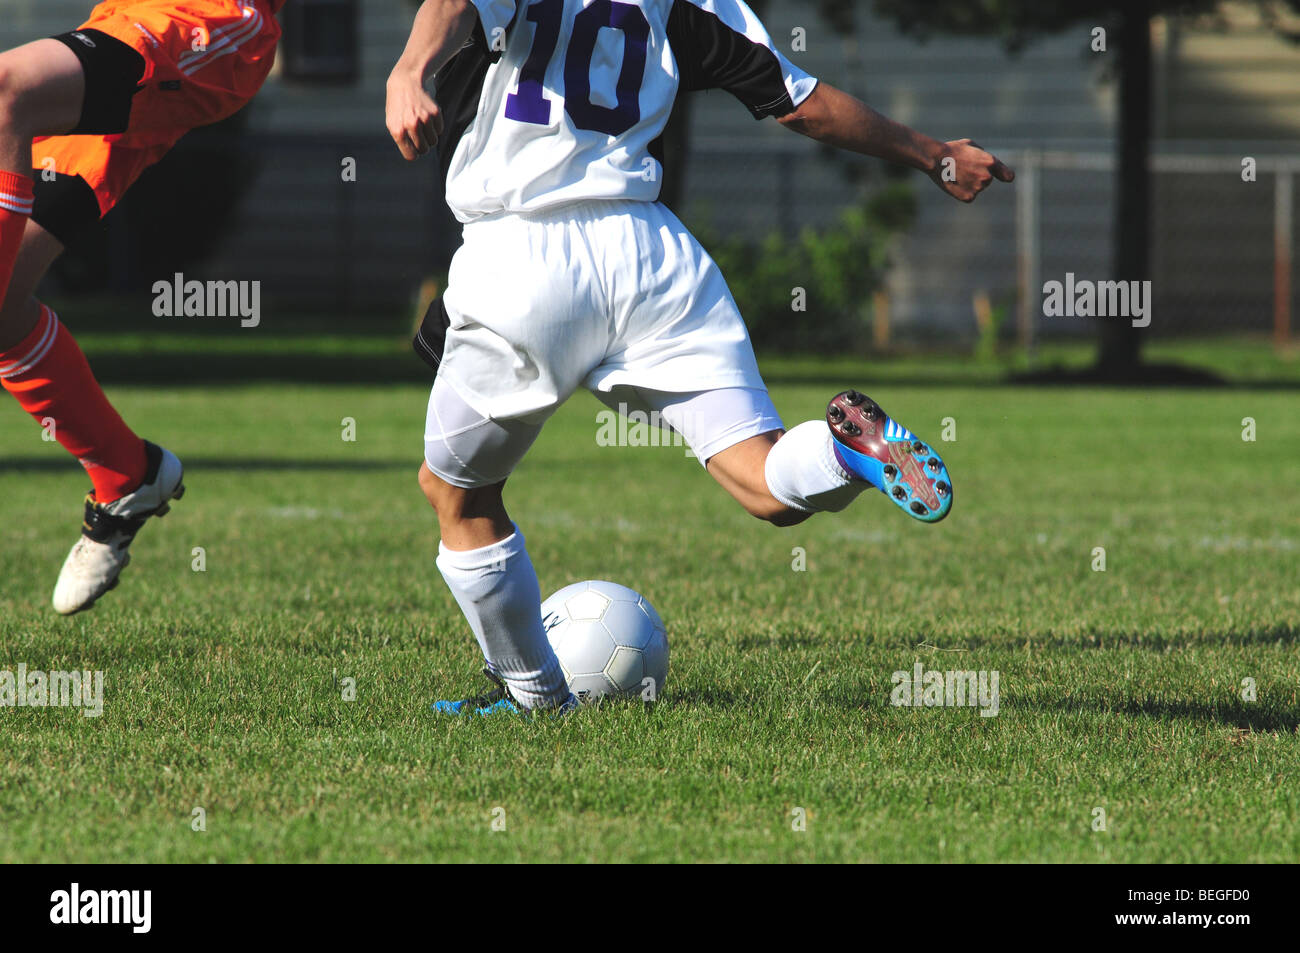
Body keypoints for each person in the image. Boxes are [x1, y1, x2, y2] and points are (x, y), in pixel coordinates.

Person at [385, 0, 1014, 714]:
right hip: (654, 255)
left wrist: (408, 72)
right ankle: (849, 456)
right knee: (765, 485)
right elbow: (799, 102)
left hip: (523, 252)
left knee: (458, 496)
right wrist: (932, 153)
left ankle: (537, 699)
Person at [0, 1, 284, 615]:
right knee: (3, 310)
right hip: (125, 22)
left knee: (7, 92)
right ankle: (126, 475)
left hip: (200, 19)